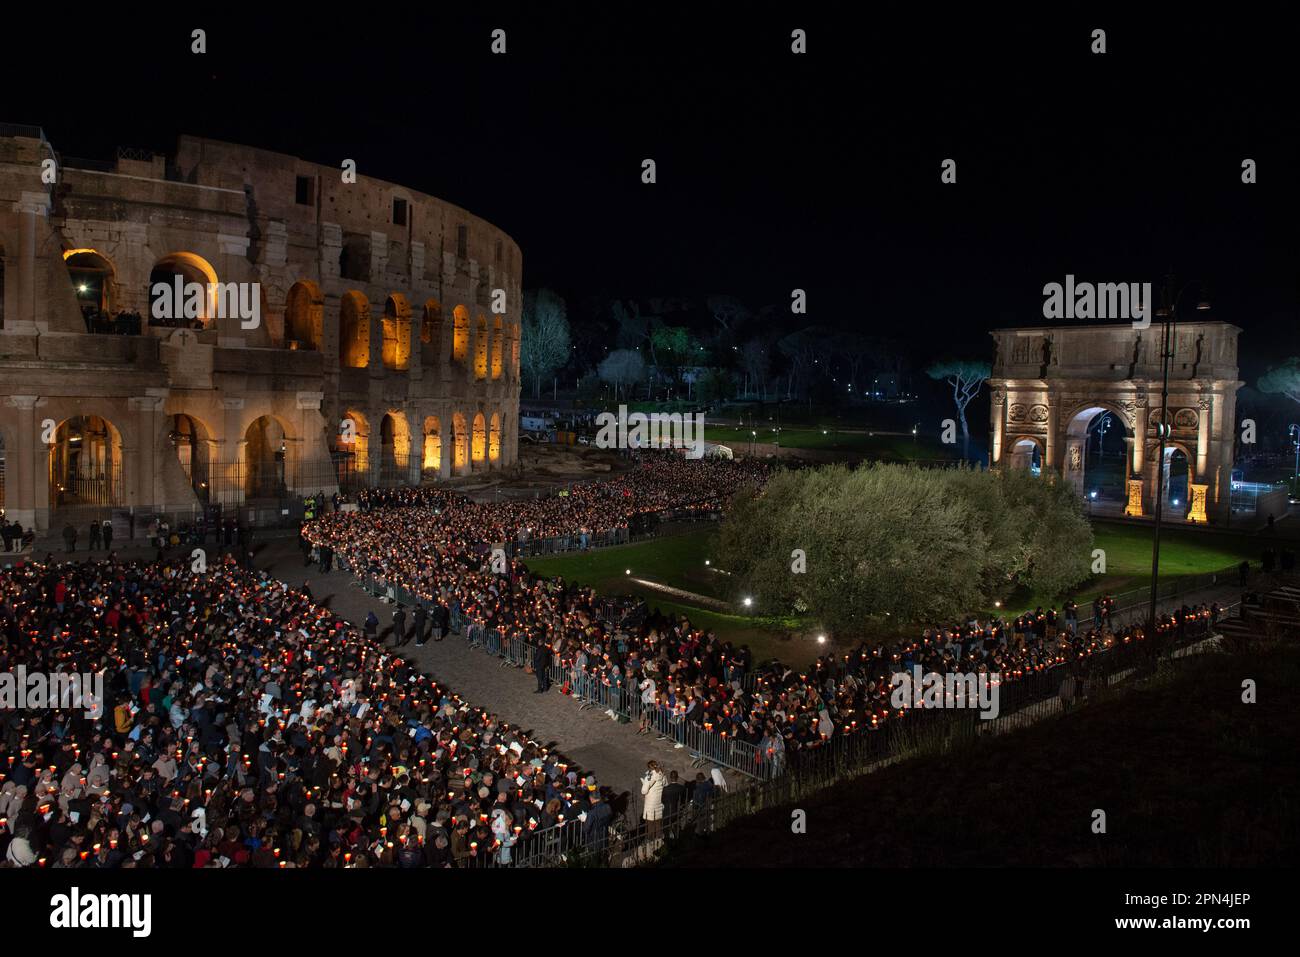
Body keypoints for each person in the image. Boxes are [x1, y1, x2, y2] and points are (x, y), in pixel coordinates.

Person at [640, 760, 666, 841]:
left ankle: (650, 840)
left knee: (650, 822)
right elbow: (665, 785)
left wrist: (644, 782)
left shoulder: (649, 776)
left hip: (651, 803)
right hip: (659, 801)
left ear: (649, 768)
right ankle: (659, 838)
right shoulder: (662, 774)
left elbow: (644, 791)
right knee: (658, 821)